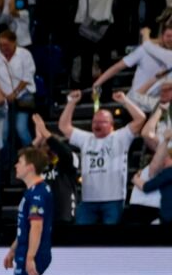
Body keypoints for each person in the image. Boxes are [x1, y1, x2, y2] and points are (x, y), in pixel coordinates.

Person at [57, 90, 149, 225]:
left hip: (114, 199)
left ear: (112, 125)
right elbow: (63, 127)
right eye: (95, 122)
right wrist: (71, 103)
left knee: (111, 241)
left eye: (102, 122)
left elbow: (140, 118)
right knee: (80, 240)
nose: (97, 125)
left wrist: (125, 101)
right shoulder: (86, 138)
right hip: (88, 200)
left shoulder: (120, 136)